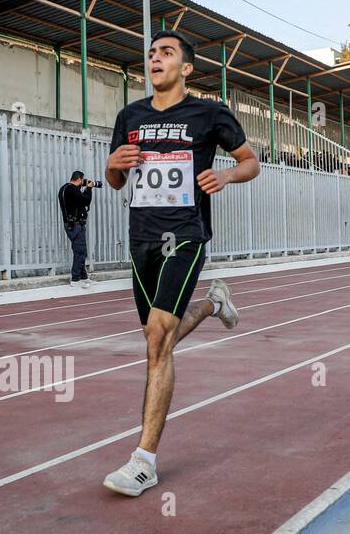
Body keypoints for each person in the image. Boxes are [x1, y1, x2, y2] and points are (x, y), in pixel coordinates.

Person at [100, 29, 260, 497]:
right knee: (157, 335)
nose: (155, 59)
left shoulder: (209, 114)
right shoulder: (130, 115)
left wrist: (227, 174)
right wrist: (113, 163)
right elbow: (114, 181)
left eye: (166, 53)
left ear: (186, 67)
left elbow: (250, 161)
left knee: (157, 339)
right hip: (142, 238)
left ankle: (144, 461)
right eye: (151, 54)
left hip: (185, 235)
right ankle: (213, 304)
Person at [58, 171, 96, 288]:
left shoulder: (63, 189)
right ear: (79, 179)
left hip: (70, 224)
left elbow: (78, 201)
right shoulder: (73, 189)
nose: (83, 183)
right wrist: (89, 189)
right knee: (80, 251)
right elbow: (86, 201)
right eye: (82, 181)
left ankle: (83, 277)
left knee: (80, 250)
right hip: (76, 225)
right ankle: (75, 279)